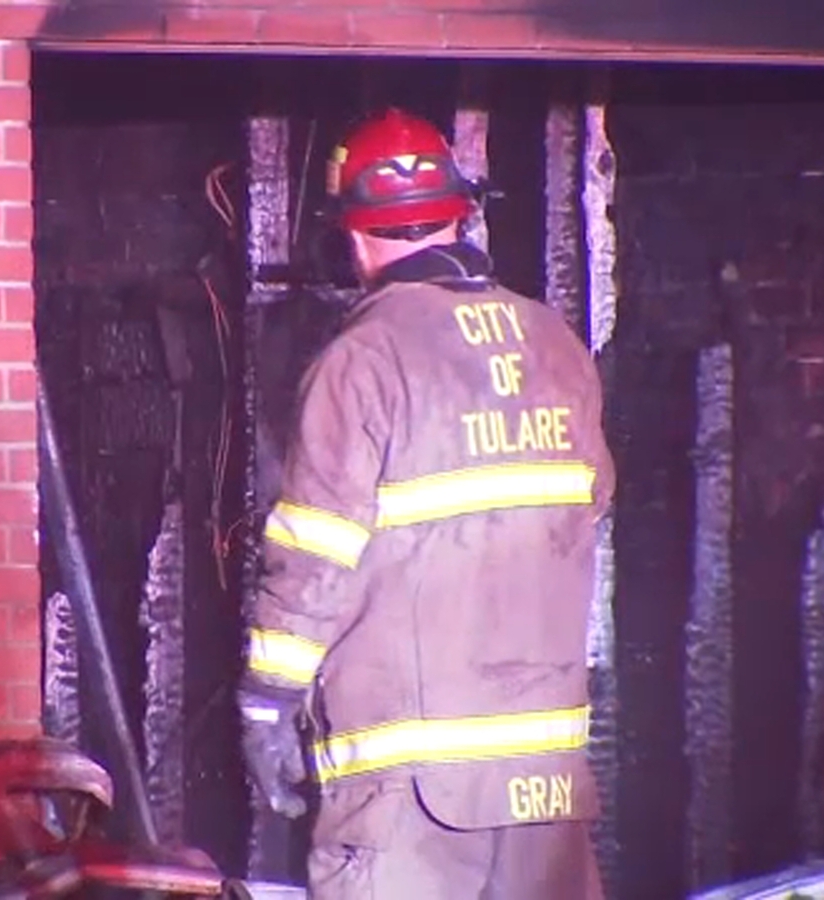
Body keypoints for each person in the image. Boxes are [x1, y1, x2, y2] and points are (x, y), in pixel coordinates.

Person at [238, 107, 617, 899]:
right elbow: (590, 505)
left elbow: (316, 554)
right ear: (459, 215)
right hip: (543, 782)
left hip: (407, 790)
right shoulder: (556, 345)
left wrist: (270, 696)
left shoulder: (364, 359)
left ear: (353, 237)